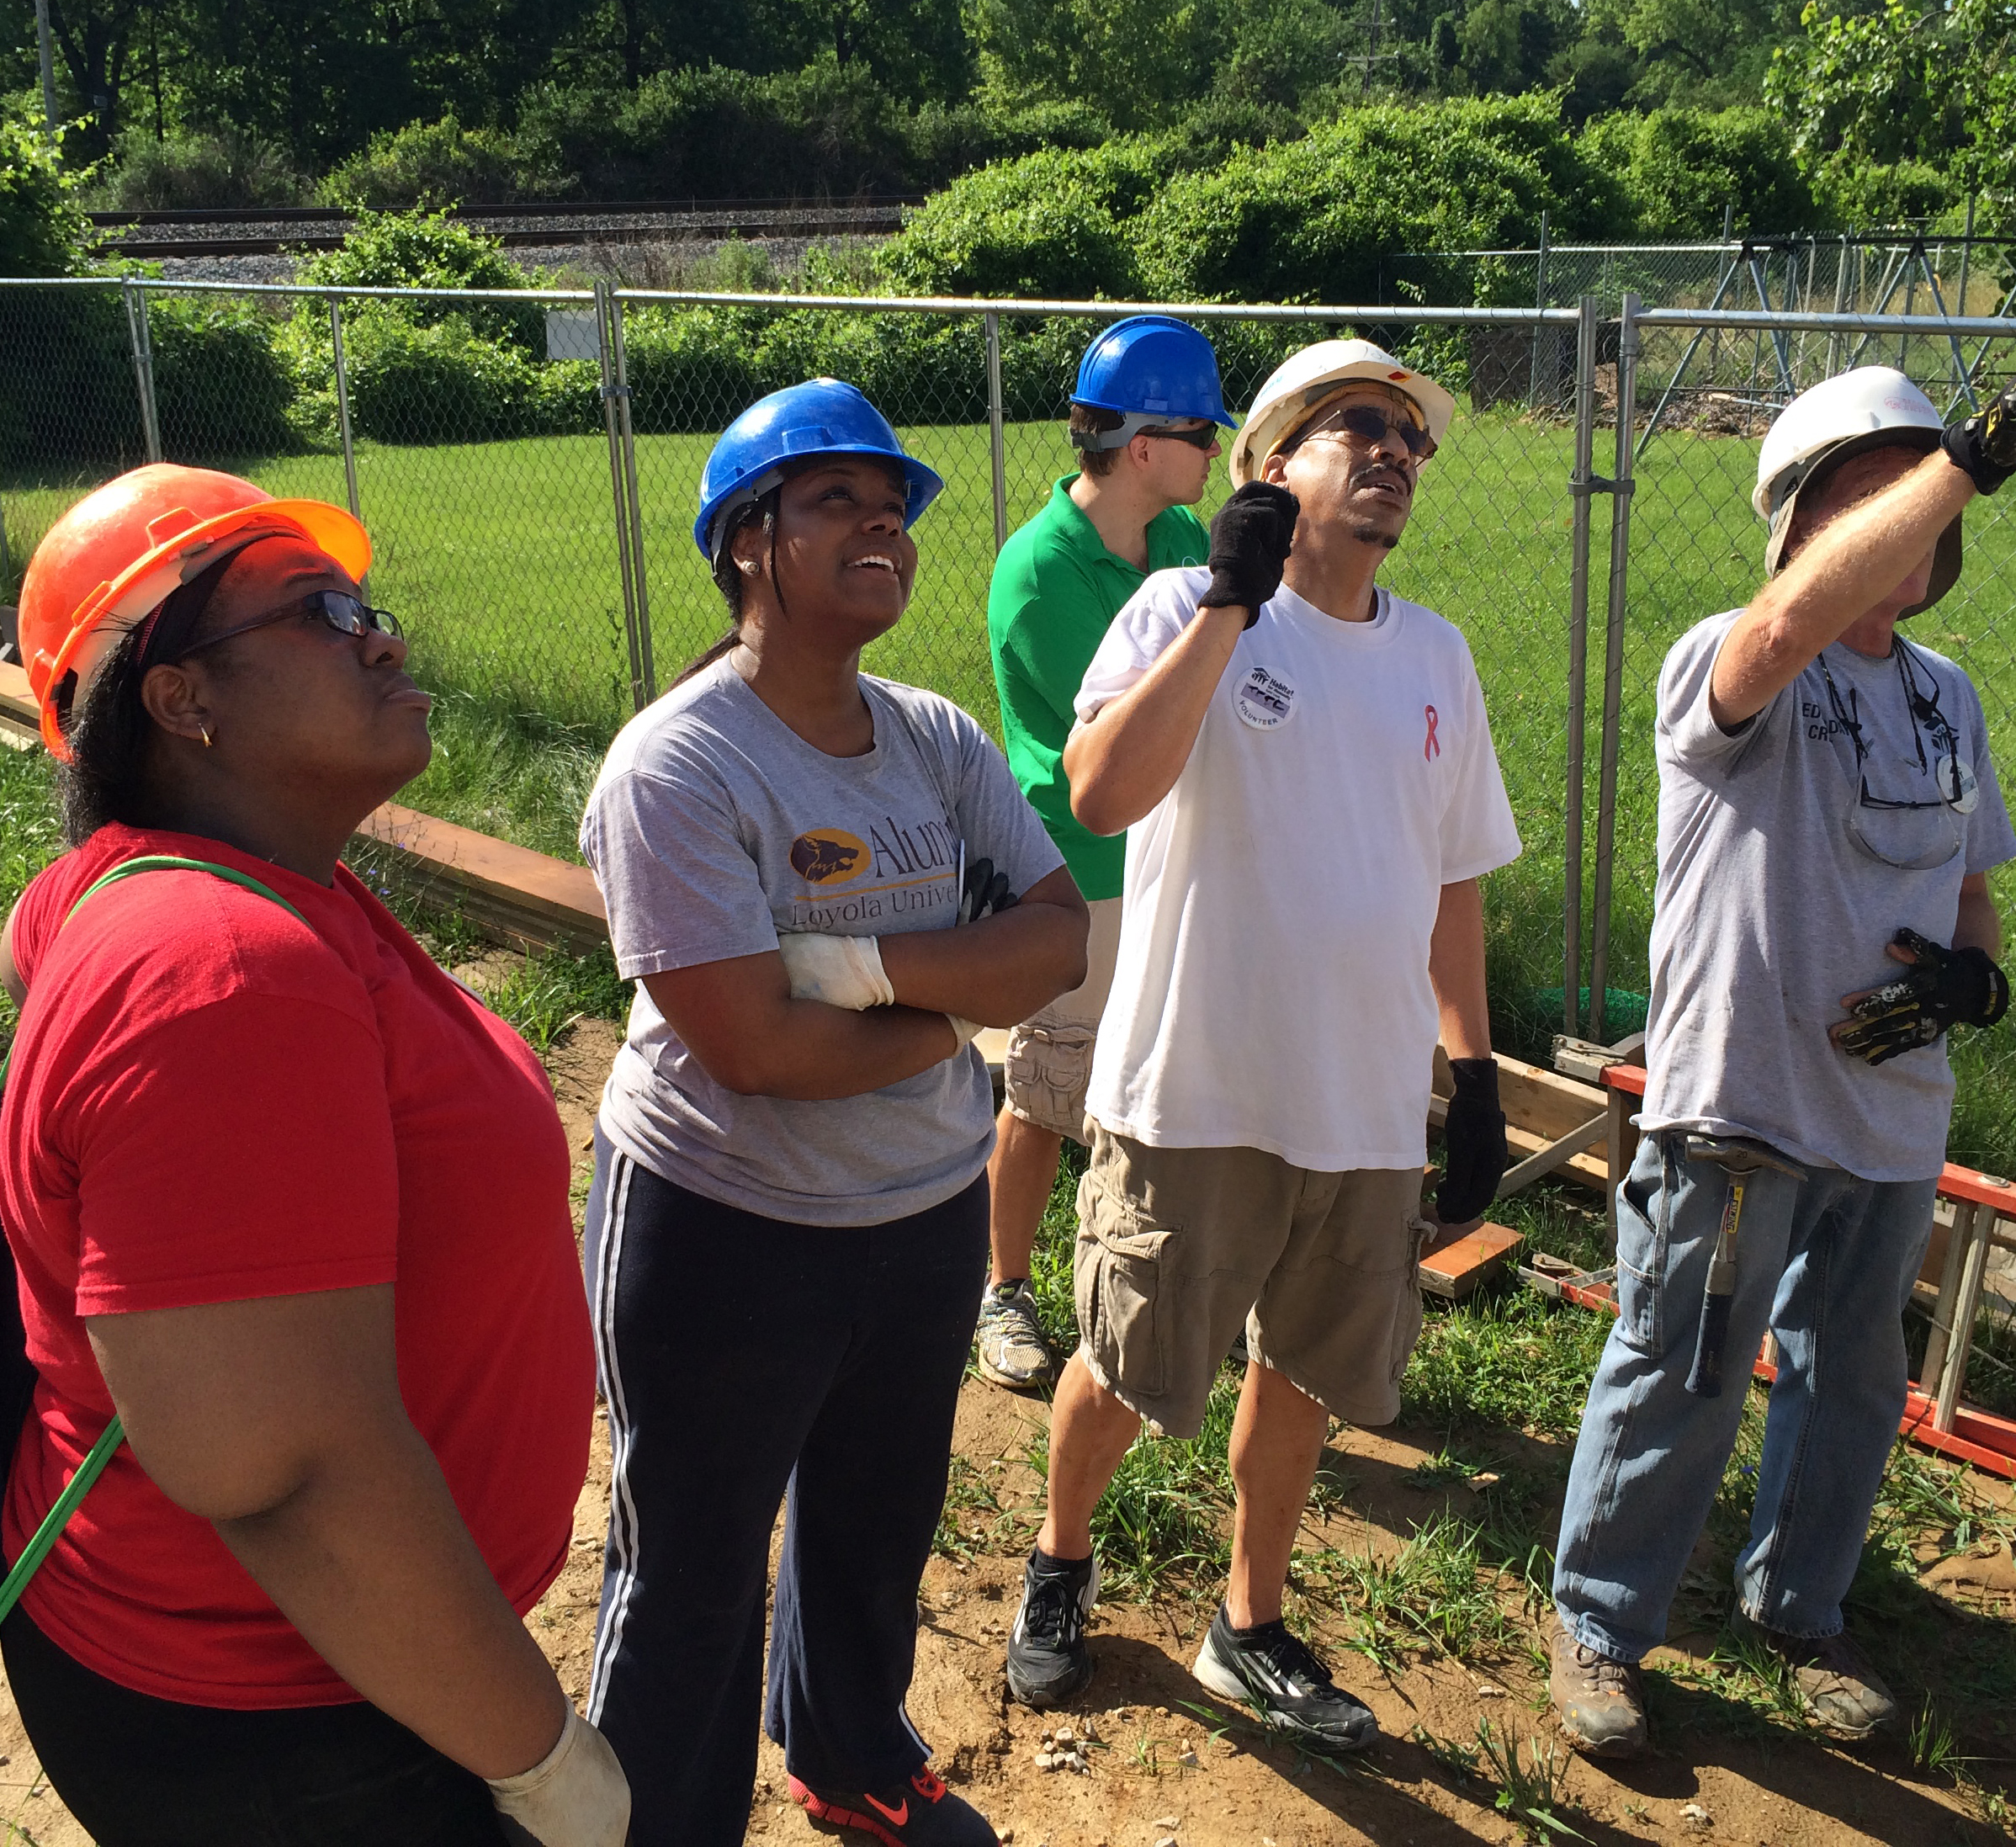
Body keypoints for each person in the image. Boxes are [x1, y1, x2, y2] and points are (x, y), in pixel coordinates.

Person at [1548, 304, 2016, 1755]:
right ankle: (1598, 1624)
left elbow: (1966, 889)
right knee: (1683, 1365)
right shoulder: (1737, 658)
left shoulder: (1946, 699)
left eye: (1921, 490)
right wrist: (1976, 448)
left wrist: (1970, 983)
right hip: (1741, 1107)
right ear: (1799, 520)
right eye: (1869, 490)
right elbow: (1780, 628)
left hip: (1890, 1117)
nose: (1909, 520)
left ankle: (1797, 1608)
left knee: (1849, 1375)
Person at [0, 464, 628, 1846]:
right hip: (294, 1718)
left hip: (310, 1677)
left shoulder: (156, 880)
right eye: (319, 613)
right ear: (180, 699)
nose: (382, 633)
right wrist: (534, 1755)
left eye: (365, 602)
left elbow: (31, 933)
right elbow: (284, 1473)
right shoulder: (221, 969)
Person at [577, 379, 1088, 1847]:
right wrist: (960, 1009)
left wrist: (852, 971)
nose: (883, 520)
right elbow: (753, 1051)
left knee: (875, 1523)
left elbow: (1057, 935)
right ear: (748, 544)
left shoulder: (930, 737)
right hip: (722, 1226)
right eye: (834, 500)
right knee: (690, 1564)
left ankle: (851, 1754)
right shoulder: (680, 763)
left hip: (919, 1208)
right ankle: (657, 1824)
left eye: (893, 502)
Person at [1002, 339, 1524, 1749]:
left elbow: (1453, 879)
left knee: (1301, 1372)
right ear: (1268, 464)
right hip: (1196, 1087)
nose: (1392, 454)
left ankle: (1249, 1619)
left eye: (1409, 440)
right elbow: (1101, 797)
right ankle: (1059, 1562)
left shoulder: (1434, 655)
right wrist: (1228, 604)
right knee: (1126, 1361)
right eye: (1355, 427)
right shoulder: (1183, 606)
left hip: (1358, 1102)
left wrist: (1468, 1073)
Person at [975, 315, 1231, 1391]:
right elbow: (1123, 739)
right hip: (1082, 869)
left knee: (1161, 1080)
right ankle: (1002, 1289)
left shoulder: (1174, 543)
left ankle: (1138, 1275)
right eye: (1197, 434)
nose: (1213, 453)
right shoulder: (1042, 571)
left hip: (1171, 857)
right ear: (1140, 447)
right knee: (1046, 1087)